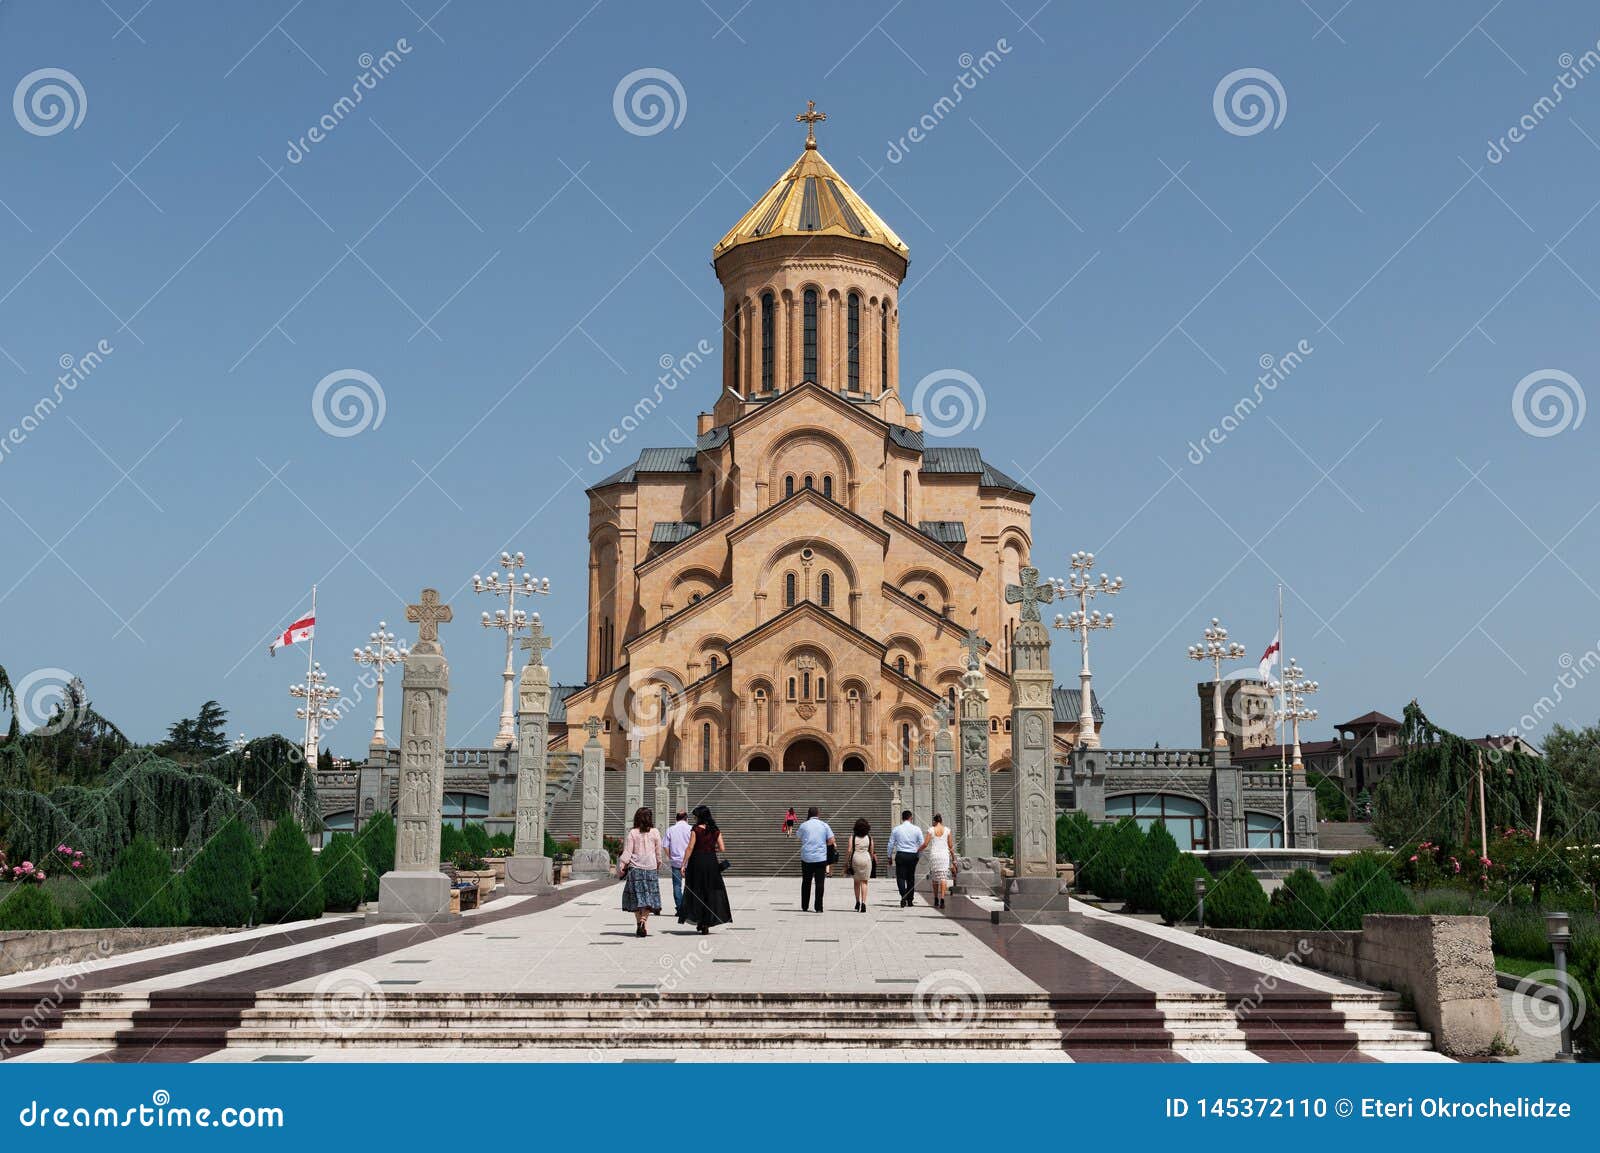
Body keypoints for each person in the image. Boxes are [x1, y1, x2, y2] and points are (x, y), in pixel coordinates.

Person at [679, 804, 732, 935]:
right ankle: (707, 921)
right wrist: (711, 849)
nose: (695, 818)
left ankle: (701, 920)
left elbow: (690, 847)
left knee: (697, 890)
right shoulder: (715, 830)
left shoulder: (696, 829)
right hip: (711, 863)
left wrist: (683, 864)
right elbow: (722, 848)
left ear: (700, 817)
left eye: (696, 816)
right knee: (710, 891)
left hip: (697, 862)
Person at [619, 807, 663, 937]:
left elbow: (628, 851)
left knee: (637, 897)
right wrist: (658, 862)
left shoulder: (633, 832)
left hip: (635, 869)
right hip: (650, 868)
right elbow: (658, 851)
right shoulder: (655, 832)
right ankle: (644, 920)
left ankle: (639, 923)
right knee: (649, 897)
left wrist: (622, 865)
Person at [796, 806, 836, 913]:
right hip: (820, 858)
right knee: (820, 883)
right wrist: (823, 845)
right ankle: (819, 907)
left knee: (806, 882)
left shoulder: (804, 825)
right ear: (818, 814)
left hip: (806, 858)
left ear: (809, 814)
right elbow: (832, 840)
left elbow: (798, 836)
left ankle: (805, 906)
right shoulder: (824, 825)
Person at [886, 810, 925, 907]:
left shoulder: (896, 829)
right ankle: (910, 900)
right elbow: (922, 844)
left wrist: (889, 856)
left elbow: (891, 844)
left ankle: (903, 896)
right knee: (910, 878)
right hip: (912, 855)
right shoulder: (917, 829)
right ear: (911, 818)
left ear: (902, 818)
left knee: (901, 877)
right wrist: (918, 855)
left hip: (901, 854)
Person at [661, 810, 693, 916]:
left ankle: (680, 908)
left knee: (676, 886)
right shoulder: (691, 829)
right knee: (690, 885)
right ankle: (688, 908)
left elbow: (665, 845)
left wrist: (670, 856)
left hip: (676, 862)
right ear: (686, 818)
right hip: (689, 861)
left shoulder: (671, 829)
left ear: (676, 818)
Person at [926, 813, 956, 909]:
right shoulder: (947, 830)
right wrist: (953, 858)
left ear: (934, 821)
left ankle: (935, 898)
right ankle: (942, 899)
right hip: (944, 855)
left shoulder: (931, 830)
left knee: (935, 877)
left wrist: (918, 849)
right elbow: (950, 846)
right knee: (943, 878)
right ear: (941, 821)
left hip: (935, 855)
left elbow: (926, 843)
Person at [846, 818, 874, 913]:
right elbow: (871, 851)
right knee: (864, 882)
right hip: (866, 859)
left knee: (856, 882)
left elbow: (849, 850)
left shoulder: (852, 837)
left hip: (856, 858)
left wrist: (847, 862)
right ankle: (864, 903)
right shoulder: (869, 838)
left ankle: (857, 901)